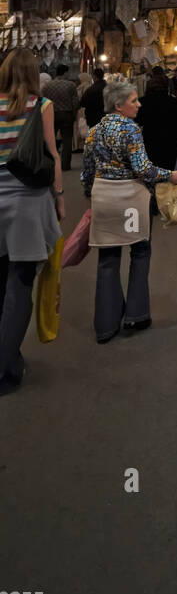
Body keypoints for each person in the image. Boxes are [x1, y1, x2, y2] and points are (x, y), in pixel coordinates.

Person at [82, 80, 177, 343]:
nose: (139, 104)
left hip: (103, 196)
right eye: (134, 101)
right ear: (119, 105)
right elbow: (143, 169)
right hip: (129, 197)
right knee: (139, 251)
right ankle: (137, 315)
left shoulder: (95, 130)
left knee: (107, 258)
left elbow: (87, 172)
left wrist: (90, 195)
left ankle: (105, 325)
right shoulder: (131, 129)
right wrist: (169, 176)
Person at [0, 49, 63, 394]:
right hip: (26, 205)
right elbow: (51, 155)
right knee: (19, 286)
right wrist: (61, 197)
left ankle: (10, 361)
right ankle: (4, 369)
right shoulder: (41, 107)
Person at [137, 68, 177, 170]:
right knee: (167, 172)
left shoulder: (143, 102)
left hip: (150, 141)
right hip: (169, 143)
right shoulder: (173, 102)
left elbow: (138, 120)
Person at [42, 62, 79, 171]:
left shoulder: (47, 85)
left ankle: (49, 163)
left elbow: (43, 100)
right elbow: (75, 102)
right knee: (67, 140)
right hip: (67, 114)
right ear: (65, 73)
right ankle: (65, 165)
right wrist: (74, 115)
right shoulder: (71, 85)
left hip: (51, 113)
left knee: (50, 139)